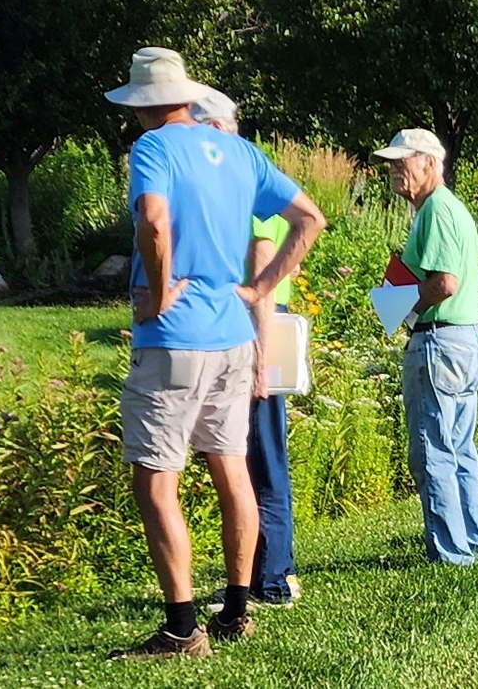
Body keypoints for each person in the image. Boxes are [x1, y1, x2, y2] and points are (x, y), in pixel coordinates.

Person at [106, 48, 324, 661]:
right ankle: (235, 610)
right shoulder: (239, 151)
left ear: (142, 105)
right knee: (232, 469)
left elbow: (154, 222)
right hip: (233, 335)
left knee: (155, 480)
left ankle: (181, 629)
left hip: (175, 339)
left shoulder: (153, 149)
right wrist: (259, 289)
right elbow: (310, 218)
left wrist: (160, 291)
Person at [191, 89, 301, 608]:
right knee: (261, 453)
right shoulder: (251, 173)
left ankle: (271, 581)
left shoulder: (242, 178)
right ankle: (274, 571)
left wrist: (260, 355)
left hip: (260, 325)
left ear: (214, 128)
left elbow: (263, 269)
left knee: (262, 457)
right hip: (261, 322)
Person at [375, 128, 478, 565]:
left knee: (433, 451)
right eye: (391, 161)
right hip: (464, 340)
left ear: (428, 162)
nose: (393, 168)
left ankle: (451, 554)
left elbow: (444, 283)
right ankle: (471, 541)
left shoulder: (436, 210)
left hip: (440, 341)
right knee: (459, 448)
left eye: (401, 160)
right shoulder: (449, 207)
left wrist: (403, 305)